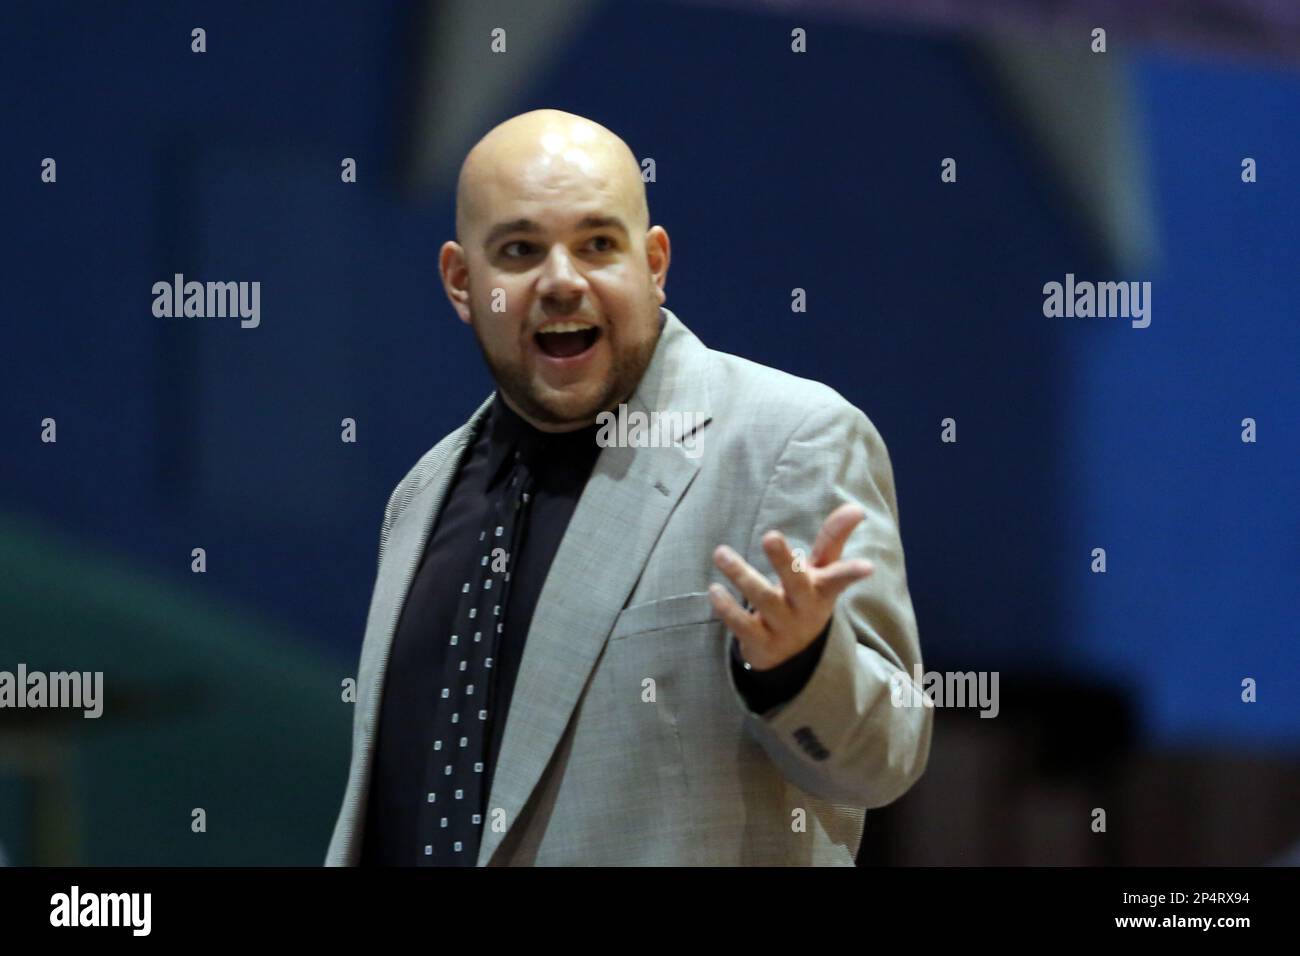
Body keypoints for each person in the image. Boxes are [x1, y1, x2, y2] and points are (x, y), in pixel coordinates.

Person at [326, 109, 931, 866]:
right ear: (461, 281)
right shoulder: (419, 500)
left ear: (654, 264)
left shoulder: (789, 440)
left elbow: (885, 759)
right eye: (519, 250)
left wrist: (802, 667)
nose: (560, 280)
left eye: (598, 245)